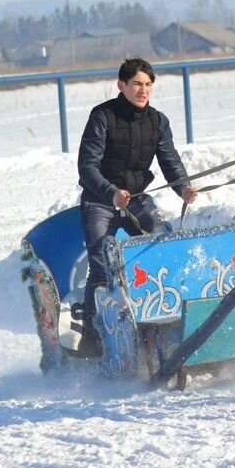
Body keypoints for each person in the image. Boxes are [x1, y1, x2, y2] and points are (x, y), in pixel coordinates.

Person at [76, 57, 198, 355]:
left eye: (148, 85)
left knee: (161, 244)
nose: (143, 90)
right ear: (122, 85)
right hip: (100, 199)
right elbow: (87, 167)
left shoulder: (158, 121)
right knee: (102, 265)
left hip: (138, 198)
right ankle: (93, 340)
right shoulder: (102, 116)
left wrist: (183, 187)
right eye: (137, 84)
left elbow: (170, 160)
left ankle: (161, 326)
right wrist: (111, 193)